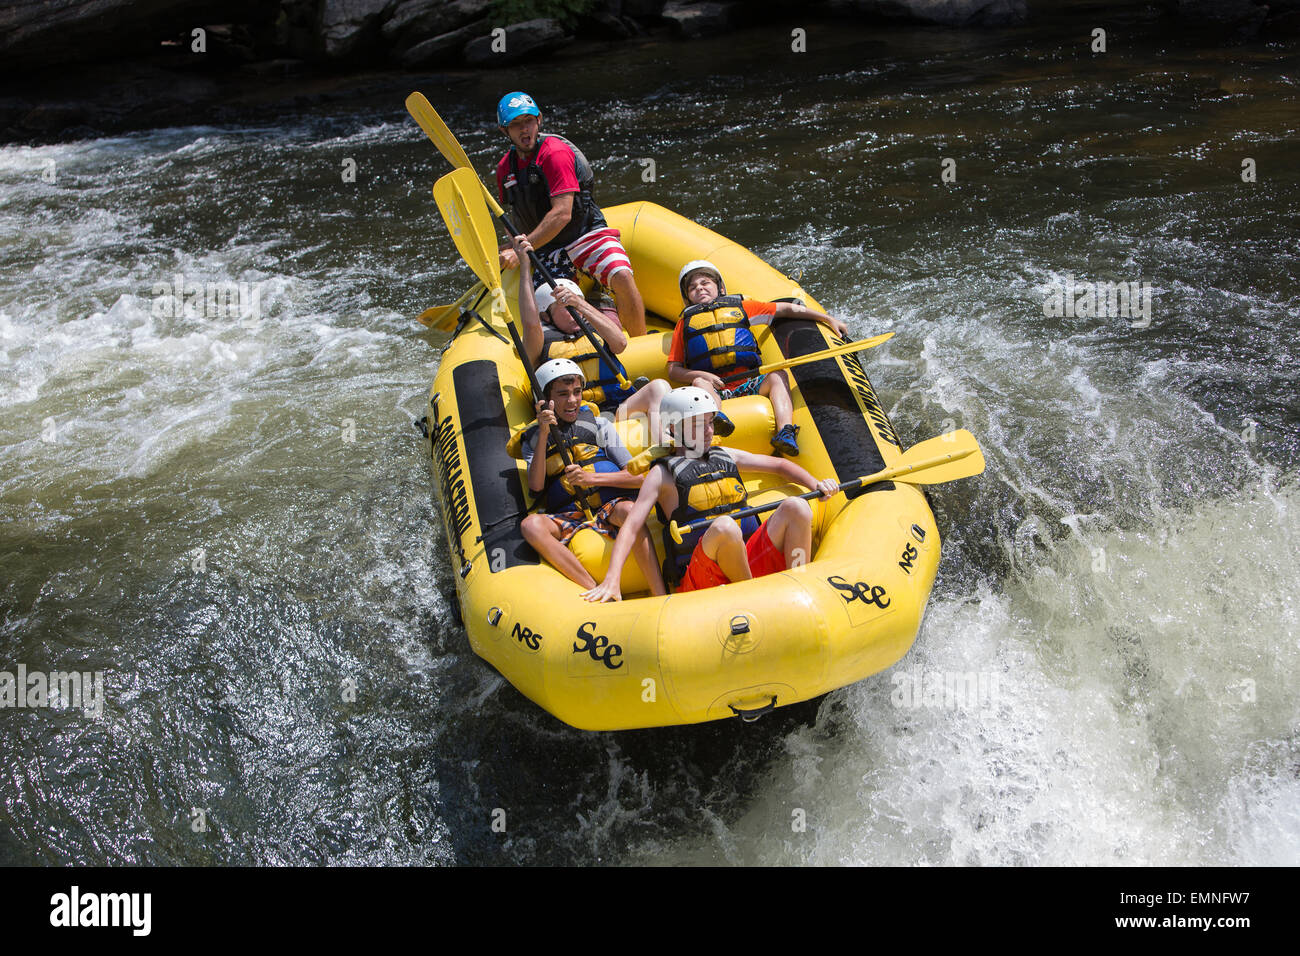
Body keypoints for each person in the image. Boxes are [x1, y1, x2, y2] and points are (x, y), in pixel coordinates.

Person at [581, 387, 838, 602]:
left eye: (708, 423)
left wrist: (817, 484)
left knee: (796, 507)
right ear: (674, 428)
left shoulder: (726, 455)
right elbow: (632, 526)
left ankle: (801, 584)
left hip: (746, 559)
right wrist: (612, 579)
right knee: (725, 527)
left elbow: (780, 465)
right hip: (702, 576)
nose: (708, 431)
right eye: (697, 425)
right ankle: (755, 600)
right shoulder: (662, 475)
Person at [494, 91, 646, 336]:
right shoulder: (505, 168)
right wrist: (513, 245)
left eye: (528, 121)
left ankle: (640, 343)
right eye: (516, 124)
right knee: (553, 308)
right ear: (505, 131)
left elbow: (562, 214)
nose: (524, 130)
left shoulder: (554, 153)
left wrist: (522, 247)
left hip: (585, 235)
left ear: (539, 120)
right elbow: (513, 217)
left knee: (622, 276)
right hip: (544, 248)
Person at [513, 358, 666, 596]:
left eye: (577, 392)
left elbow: (638, 478)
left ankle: (659, 593)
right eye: (563, 394)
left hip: (611, 505)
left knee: (628, 511)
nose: (573, 400)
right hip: (568, 513)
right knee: (531, 526)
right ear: (544, 400)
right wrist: (543, 434)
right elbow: (535, 487)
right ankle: (593, 589)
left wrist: (591, 479)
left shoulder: (600, 424)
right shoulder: (533, 439)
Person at [667, 260, 850, 457]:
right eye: (693, 287)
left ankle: (785, 431)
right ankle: (717, 418)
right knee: (699, 381)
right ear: (688, 297)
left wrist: (826, 318)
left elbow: (786, 309)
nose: (699, 288)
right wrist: (703, 375)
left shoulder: (742, 307)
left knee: (778, 375)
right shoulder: (684, 324)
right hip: (715, 390)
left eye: (705, 283)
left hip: (749, 383)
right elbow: (673, 369)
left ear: (719, 287)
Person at [514, 234, 671, 443]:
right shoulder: (540, 341)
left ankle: (665, 445)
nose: (573, 313)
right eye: (565, 308)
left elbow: (620, 343)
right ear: (546, 315)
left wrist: (579, 304)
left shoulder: (594, 328)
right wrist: (525, 266)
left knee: (658, 387)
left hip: (616, 411)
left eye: (575, 305)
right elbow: (530, 323)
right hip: (578, 418)